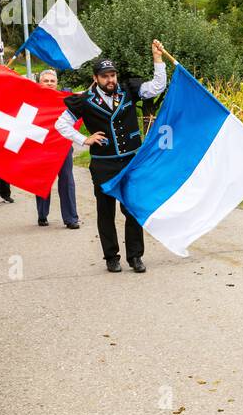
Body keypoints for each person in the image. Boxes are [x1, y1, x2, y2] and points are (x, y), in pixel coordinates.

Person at [56, 42, 168, 273]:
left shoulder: (128, 89)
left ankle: (135, 256)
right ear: (95, 78)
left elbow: (157, 87)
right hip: (103, 165)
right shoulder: (85, 100)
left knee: (133, 209)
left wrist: (157, 58)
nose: (111, 80)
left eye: (113, 75)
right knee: (105, 212)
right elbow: (61, 123)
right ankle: (111, 257)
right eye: (105, 76)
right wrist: (83, 139)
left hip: (130, 162)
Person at [35, 68, 80, 229]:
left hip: (62, 145)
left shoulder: (64, 99)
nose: (49, 83)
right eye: (45, 81)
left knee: (67, 179)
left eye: (52, 81)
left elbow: (81, 98)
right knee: (43, 179)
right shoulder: (33, 99)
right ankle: (42, 214)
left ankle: (71, 218)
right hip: (41, 145)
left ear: (56, 83)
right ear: (40, 83)